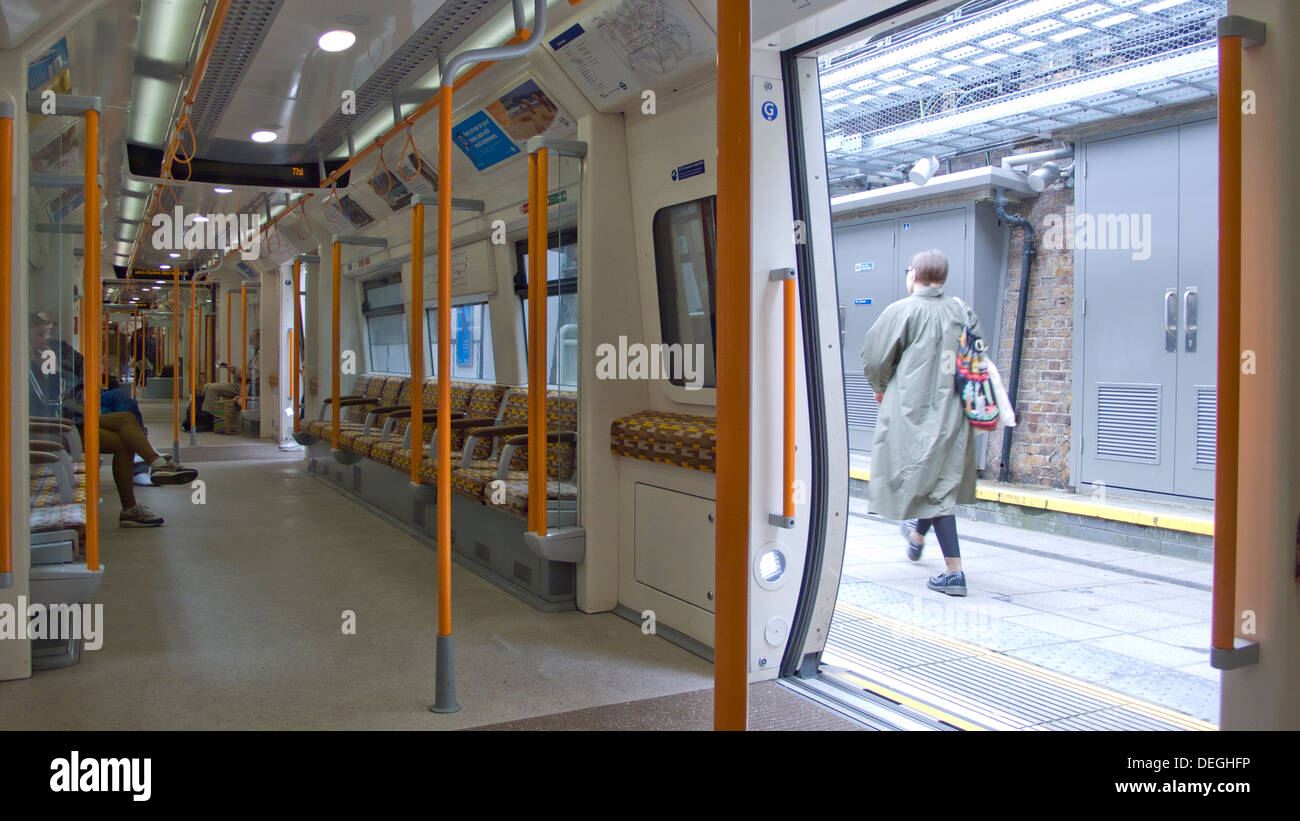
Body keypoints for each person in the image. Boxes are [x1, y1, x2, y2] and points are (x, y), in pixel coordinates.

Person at [859, 249, 981, 597]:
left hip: (912, 412)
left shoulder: (903, 310)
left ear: (914, 275)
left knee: (931, 484)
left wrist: (882, 390)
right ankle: (916, 536)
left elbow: (875, 358)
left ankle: (954, 571)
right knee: (939, 480)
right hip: (954, 411)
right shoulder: (962, 311)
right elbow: (976, 358)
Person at [29, 313, 198, 527]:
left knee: (125, 424)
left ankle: (150, 472)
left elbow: (65, 384)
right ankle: (145, 480)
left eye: (46, 334)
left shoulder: (46, 356)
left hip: (68, 418)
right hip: (56, 428)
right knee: (124, 427)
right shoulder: (27, 368)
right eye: (40, 335)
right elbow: (48, 400)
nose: (44, 340)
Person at [185, 328, 258, 432]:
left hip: (243, 386)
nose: (251, 343)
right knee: (207, 386)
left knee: (212, 389)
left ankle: (207, 417)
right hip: (239, 383)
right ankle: (199, 412)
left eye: (252, 340)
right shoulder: (255, 355)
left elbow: (253, 375)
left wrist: (236, 370)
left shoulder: (260, 357)